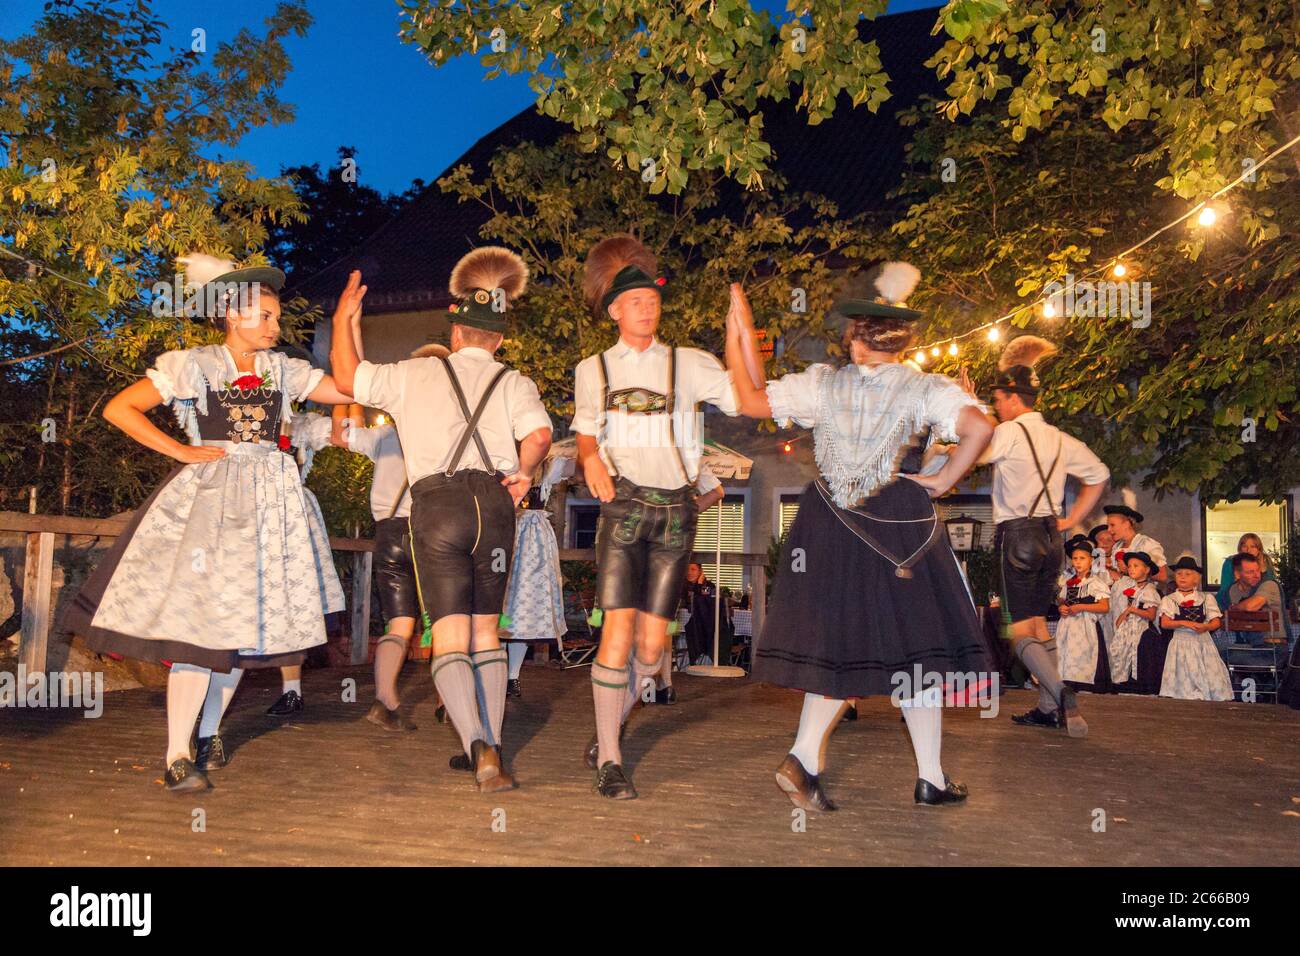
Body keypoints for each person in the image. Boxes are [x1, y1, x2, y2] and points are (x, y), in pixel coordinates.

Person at [65, 254, 354, 791]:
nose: (274, 326)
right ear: (231, 315)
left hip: (271, 512)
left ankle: (210, 733)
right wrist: (180, 448)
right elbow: (120, 409)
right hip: (212, 506)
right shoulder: (194, 363)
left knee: (242, 630)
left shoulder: (283, 371)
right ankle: (177, 754)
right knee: (202, 630)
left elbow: (349, 389)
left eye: (275, 317)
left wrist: (343, 326)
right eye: (264, 316)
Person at [728, 262, 995, 809]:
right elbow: (982, 427)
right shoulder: (927, 388)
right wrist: (945, 477)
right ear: (900, 343)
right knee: (919, 650)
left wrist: (738, 330)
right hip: (900, 524)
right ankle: (846, 764)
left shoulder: (823, 385)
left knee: (843, 645)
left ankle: (910, 773)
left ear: (855, 338)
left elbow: (751, 398)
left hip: (831, 521)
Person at [330, 249, 553, 793]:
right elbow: (541, 439)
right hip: (496, 508)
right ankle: (492, 742)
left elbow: (345, 378)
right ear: (497, 340)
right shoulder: (516, 381)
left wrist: (343, 321)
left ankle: (474, 741)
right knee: (486, 633)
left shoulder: (414, 375)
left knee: (449, 635)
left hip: (437, 506)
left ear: (456, 333)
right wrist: (523, 475)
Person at [572, 234, 742, 799]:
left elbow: (746, 395)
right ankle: (611, 761)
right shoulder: (591, 369)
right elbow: (585, 432)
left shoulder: (689, 363)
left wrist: (740, 330)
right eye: (636, 300)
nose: (647, 307)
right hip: (623, 508)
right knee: (615, 637)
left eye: (653, 299)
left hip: (676, 511)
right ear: (615, 310)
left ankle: (609, 730)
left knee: (651, 653)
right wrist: (591, 456)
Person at [967, 335, 1110, 737]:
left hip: (1017, 537)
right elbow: (1099, 475)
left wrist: (966, 415)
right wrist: (1071, 519)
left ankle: (1061, 691)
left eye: (997, 399)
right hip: (1052, 538)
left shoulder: (1011, 433)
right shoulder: (1059, 438)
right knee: (1039, 626)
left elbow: (973, 451)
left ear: (1014, 398)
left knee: (1015, 630)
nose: (996, 404)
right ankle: (1049, 708)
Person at [338, 343, 443, 731]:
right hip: (431, 533)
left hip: (389, 534)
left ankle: (385, 700)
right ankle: (448, 700)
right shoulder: (446, 432)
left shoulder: (386, 434)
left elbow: (345, 435)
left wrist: (354, 390)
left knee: (398, 623)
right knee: (444, 621)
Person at [654, 467, 726, 703]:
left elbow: (717, 493)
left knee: (637, 620)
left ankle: (650, 680)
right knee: (660, 621)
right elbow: (717, 492)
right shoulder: (687, 456)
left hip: (644, 549)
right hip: (671, 554)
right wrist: (687, 511)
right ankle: (664, 684)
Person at [498, 503, 567, 700]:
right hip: (505, 527)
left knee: (524, 613)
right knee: (500, 607)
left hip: (535, 541)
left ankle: (512, 677)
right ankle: (499, 674)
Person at [1158, 555, 1232, 700]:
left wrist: (1206, 626)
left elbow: (1216, 622)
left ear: (1196, 578)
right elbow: (1165, 623)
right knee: (1182, 678)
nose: (1183, 577)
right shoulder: (1170, 599)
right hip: (1181, 642)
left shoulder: (1206, 598)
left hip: (1202, 642)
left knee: (1206, 674)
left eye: (1188, 574)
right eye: (1179, 574)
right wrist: (1184, 623)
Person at [1055, 537, 1112, 692]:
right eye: (1075, 558)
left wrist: (1081, 606)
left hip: (1086, 627)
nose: (1078, 562)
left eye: (1082, 558)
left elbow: (1104, 606)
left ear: (1091, 560)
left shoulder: (1095, 583)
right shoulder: (1069, 582)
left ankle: (1085, 685)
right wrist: (1062, 607)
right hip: (1067, 627)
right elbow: (1062, 600)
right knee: (1065, 655)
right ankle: (1067, 684)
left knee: (1085, 657)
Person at [1108, 552, 1162, 691]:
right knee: (1121, 653)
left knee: (1141, 656)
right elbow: (1125, 613)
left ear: (1147, 569)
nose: (1131, 569)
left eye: (1136, 566)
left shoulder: (1149, 590)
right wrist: (1122, 619)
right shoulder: (1131, 590)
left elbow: (1150, 615)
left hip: (1143, 631)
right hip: (1128, 629)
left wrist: (1131, 610)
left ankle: (1141, 687)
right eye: (1130, 566)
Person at [1224, 552, 1287, 646]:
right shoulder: (1231, 591)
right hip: (1245, 646)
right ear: (1237, 574)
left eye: (1258, 570)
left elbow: (1251, 606)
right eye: (1250, 572)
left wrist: (1234, 608)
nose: (1257, 575)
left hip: (1272, 648)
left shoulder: (1269, 585)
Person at [1103, 504, 1167, 584]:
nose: (1109, 530)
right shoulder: (1117, 546)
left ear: (1126, 524)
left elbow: (1162, 576)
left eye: (1112, 525)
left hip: (1142, 594)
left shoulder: (1146, 543)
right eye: (1108, 526)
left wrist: (1130, 570)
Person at [1216, 534, 1279, 610]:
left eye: (1253, 547)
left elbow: (1270, 585)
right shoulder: (1230, 562)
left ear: (1259, 550)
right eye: (1244, 546)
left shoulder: (1266, 564)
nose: (1248, 550)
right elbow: (1225, 590)